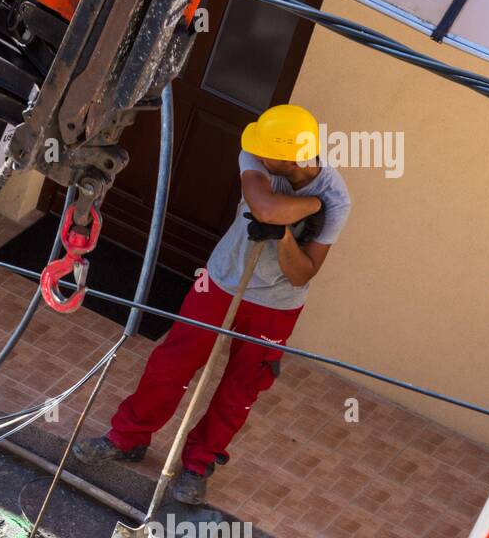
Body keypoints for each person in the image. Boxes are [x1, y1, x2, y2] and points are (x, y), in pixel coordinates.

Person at [73, 103, 351, 504]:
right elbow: (265, 206)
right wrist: (308, 209)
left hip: (277, 303)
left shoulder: (337, 199)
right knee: (173, 362)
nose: (256, 150)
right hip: (220, 280)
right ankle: (127, 437)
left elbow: (301, 273)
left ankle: (198, 464)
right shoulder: (257, 152)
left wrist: (285, 235)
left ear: (290, 157)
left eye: (268, 151)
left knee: (242, 387)